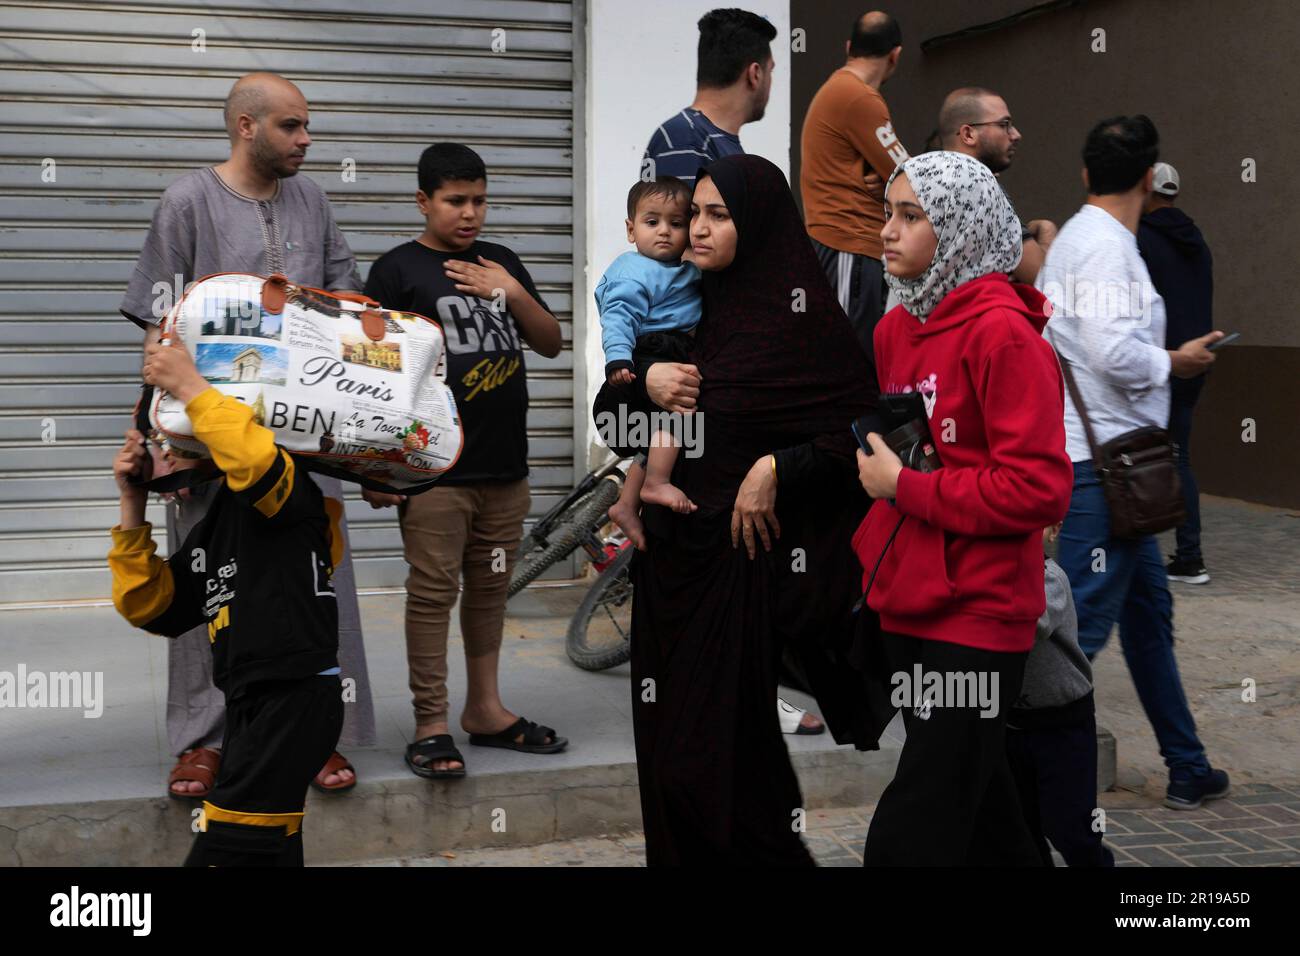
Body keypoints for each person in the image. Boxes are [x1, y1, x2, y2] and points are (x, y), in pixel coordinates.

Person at [118, 72, 372, 798]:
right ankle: (204, 740)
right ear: (245, 127)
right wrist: (154, 431)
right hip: (208, 439)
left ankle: (316, 731)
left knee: (318, 582)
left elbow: (348, 313)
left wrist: (366, 444)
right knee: (209, 575)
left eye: (307, 126)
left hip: (309, 434)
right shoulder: (188, 202)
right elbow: (158, 327)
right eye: (292, 126)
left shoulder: (314, 200)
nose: (306, 140)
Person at [630, 154, 878, 865]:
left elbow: (856, 434)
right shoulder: (681, 304)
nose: (696, 231)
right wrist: (644, 382)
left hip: (738, 579)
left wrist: (777, 467)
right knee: (671, 765)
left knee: (713, 766)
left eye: (717, 215)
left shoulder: (804, 322)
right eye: (692, 215)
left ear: (759, 221)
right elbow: (612, 409)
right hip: (664, 573)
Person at [854, 151, 1074, 866]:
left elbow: (1039, 489)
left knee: (915, 822)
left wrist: (906, 487)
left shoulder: (1005, 336)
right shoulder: (895, 328)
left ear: (962, 231)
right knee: (980, 809)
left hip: (981, 612)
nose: (889, 231)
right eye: (889, 212)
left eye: (912, 217)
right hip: (908, 597)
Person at [1036, 115, 1229, 811]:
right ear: (1150, 179)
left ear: (1088, 174)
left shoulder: (1077, 239)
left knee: (1149, 620)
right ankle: (1019, 777)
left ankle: (1187, 765)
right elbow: (1115, 352)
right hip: (1106, 469)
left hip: (1112, 468)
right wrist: (1175, 361)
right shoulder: (1109, 250)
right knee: (1077, 633)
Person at [361, 143, 565, 777]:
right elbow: (371, 376)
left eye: (479, 199)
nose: (470, 213)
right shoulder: (397, 271)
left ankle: (486, 711)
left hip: (507, 468)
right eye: (455, 201)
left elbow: (552, 342)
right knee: (431, 594)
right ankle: (430, 725)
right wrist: (376, 466)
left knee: (490, 591)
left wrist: (508, 290)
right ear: (424, 202)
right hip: (435, 472)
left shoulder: (501, 262)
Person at [109, 342, 344, 866]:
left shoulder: (285, 492)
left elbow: (255, 460)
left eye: (166, 432)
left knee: (224, 852)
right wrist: (133, 502)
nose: (158, 449)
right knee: (268, 851)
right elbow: (150, 607)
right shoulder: (214, 526)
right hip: (249, 706)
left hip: (292, 700)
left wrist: (190, 386)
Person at [800, 11, 907, 360]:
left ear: (849, 47)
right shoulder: (859, 97)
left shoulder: (837, 90)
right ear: (896, 55)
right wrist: (892, 188)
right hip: (850, 246)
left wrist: (886, 186)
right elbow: (912, 177)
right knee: (851, 365)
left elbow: (893, 177)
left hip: (840, 249)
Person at [593, 176, 701, 524]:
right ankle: (656, 482)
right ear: (631, 229)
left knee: (655, 437)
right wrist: (619, 359)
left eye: (677, 223)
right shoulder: (633, 272)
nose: (665, 231)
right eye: (652, 222)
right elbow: (618, 318)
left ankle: (625, 505)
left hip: (671, 346)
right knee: (680, 414)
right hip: (654, 349)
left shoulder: (680, 269)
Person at [1005, 526, 1115, 867]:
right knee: (1021, 826)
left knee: (1071, 826)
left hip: (1063, 723)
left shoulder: (1050, 579)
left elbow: (1026, 625)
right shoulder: (990, 578)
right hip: (1013, 725)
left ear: (1052, 531)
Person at [1137, 162, 1214, 584]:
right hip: (1195, 360)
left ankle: (1138, 554)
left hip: (1158, 361)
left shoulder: (1142, 240)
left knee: (1135, 457)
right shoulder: (1196, 240)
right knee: (1178, 457)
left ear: (1148, 191)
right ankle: (1190, 555)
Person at [643, 8, 776, 189]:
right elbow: (676, 216)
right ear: (755, 74)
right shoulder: (684, 139)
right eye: (771, 70)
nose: (771, 81)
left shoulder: (706, 140)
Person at [937, 86, 1055, 283]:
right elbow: (1042, 280)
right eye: (1004, 124)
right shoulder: (980, 188)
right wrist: (1046, 233)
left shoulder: (928, 184)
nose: (1016, 134)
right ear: (968, 134)